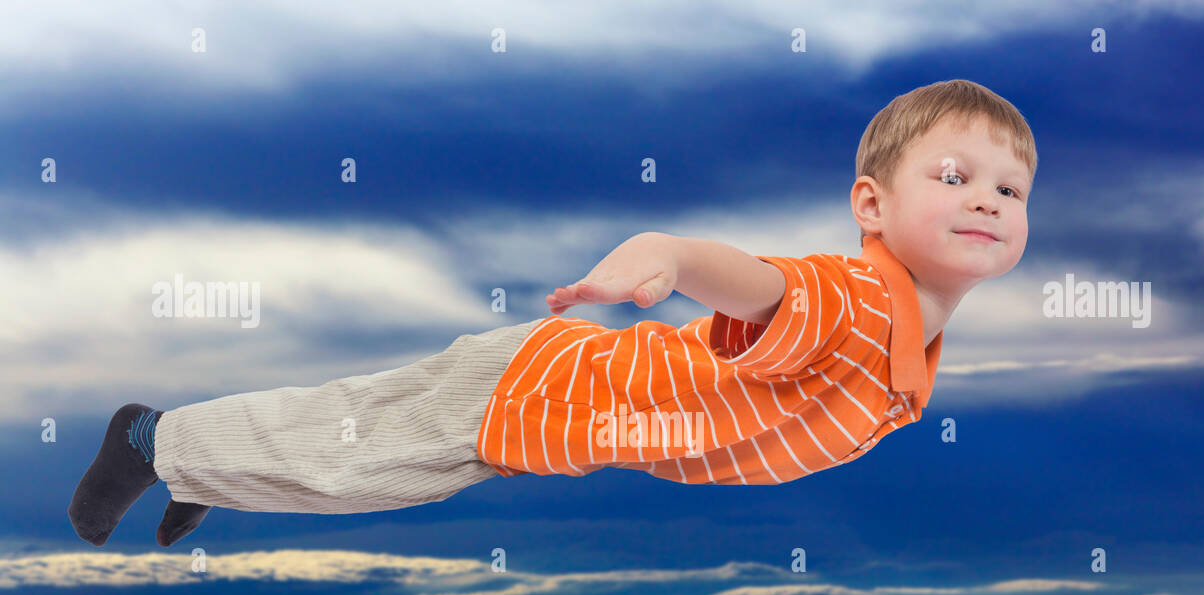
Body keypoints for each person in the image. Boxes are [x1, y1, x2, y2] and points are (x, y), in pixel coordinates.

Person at [68, 78, 1035, 548]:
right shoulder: (866, 302)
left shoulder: (916, 338)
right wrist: (675, 255)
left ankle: (204, 459)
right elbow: (768, 286)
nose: (989, 198)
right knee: (355, 468)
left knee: (347, 433)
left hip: (551, 382)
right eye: (955, 176)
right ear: (871, 205)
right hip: (533, 402)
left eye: (1012, 186)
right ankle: (152, 442)